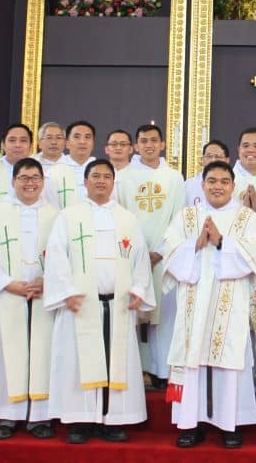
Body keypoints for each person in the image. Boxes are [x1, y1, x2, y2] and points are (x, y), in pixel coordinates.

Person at [44, 159, 155, 443]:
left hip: (116, 305)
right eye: (96, 176)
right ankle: (80, 421)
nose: (101, 181)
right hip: (80, 304)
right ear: (85, 182)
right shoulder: (69, 216)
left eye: (107, 176)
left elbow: (140, 258)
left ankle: (112, 419)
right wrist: (66, 291)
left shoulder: (126, 218)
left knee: (115, 361)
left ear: (113, 182)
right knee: (79, 361)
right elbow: (56, 256)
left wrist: (139, 289)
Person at [161, 161, 256, 449]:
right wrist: (194, 245)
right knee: (192, 357)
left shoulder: (247, 218)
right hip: (193, 302)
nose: (217, 186)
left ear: (233, 186)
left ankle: (229, 424)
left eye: (223, 181)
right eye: (211, 181)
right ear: (203, 184)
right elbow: (169, 250)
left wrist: (222, 242)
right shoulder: (186, 217)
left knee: (229, 359)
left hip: (230, 302)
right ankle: (190, 423)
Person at [0, 158, 58, 439]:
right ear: (13, 182)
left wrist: (48, 281)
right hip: (7, 295)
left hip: (44, 297)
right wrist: (9, 284)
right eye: (24, 178)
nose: (30, 183)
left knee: (43, 354)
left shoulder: (57, 216)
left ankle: (39, 417)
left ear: (43, 182)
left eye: (35, 178)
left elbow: (66, 256)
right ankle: (4, 415)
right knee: (3, 355)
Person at [115, 123, 186, 389]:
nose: (149, 145)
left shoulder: (174, 178)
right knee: (138, 315)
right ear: (136, 146)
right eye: (143, 140)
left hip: (165, 257)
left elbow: (179, 217)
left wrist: (161, 251)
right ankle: (140, 368)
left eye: (154, 140)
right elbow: (120, 214)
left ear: (163, 145)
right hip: (132, 254)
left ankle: (163, 369)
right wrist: (138, 253)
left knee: (165, 315)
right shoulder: (124, 177)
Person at [44, 120, 96, 210]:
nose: (82, 141)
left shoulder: (102, 170)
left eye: (87, 137)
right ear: (67, 143)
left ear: (93, 143)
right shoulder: (54, 172)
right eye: (77, 137)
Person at [184, 140, 230, 207]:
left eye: (218, 156)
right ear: (202, 159)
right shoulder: (188, 185)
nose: (213, 160)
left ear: (227, 160)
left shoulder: (233, 185)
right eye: (209, 156)